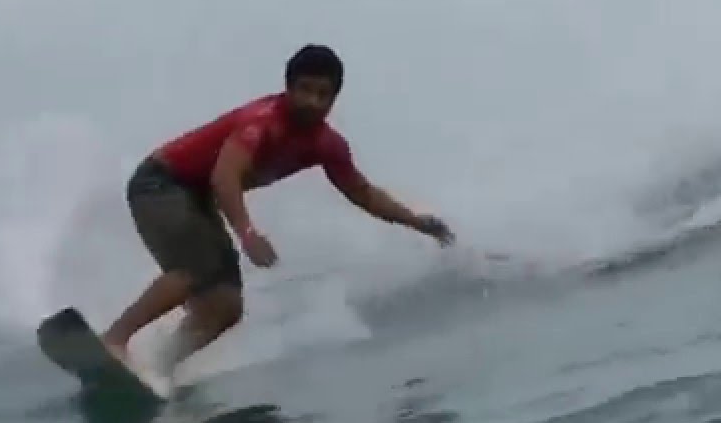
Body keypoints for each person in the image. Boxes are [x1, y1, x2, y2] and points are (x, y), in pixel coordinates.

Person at [102, 44, 456, 377]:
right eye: (304, 90)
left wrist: (416, 222)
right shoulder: (261, 121)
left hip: (199, 196)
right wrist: (247, 232)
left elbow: (362, 193)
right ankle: (114, 341)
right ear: (288, 88)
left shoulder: (327, 144)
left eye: (323, 95)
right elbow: (225, 176)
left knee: (225, 305)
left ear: (334, 99)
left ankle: (157, 365)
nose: (312, 102)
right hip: (161, 182)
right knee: (194, 268)